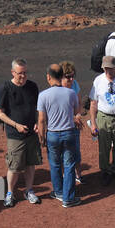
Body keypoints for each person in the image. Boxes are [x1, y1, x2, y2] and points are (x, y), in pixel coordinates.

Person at [0, 58, 42, 208]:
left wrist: (37, 122)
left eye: (25, 73)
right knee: (14, 166)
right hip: (15, 135)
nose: (23, 76)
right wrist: (16, 125)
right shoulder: (6, 88)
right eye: (20, 73)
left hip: (31, 133)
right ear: (13, 72)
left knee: (30, 164)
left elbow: (37, 107)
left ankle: (29, 190)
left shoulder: (32, 87)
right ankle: (10, 193)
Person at [37, 63, 81, 209]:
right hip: (69, 133)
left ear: (48, 77)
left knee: (55, 164)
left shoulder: (43, 95)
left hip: (52, 135)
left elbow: (42, 120)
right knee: (69, 165)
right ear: (62, 76)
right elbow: (76, 112)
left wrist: (42, 138)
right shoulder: (71, 93)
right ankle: (68, 198)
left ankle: (58, 192)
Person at [88, 56, 115, 184]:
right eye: (106, 68)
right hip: (103, 117)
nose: (108, 71)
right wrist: (93, 123)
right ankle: (106, 171)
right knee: (104, 146)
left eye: (110, 68)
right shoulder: (98, 81)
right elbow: (93, 103)